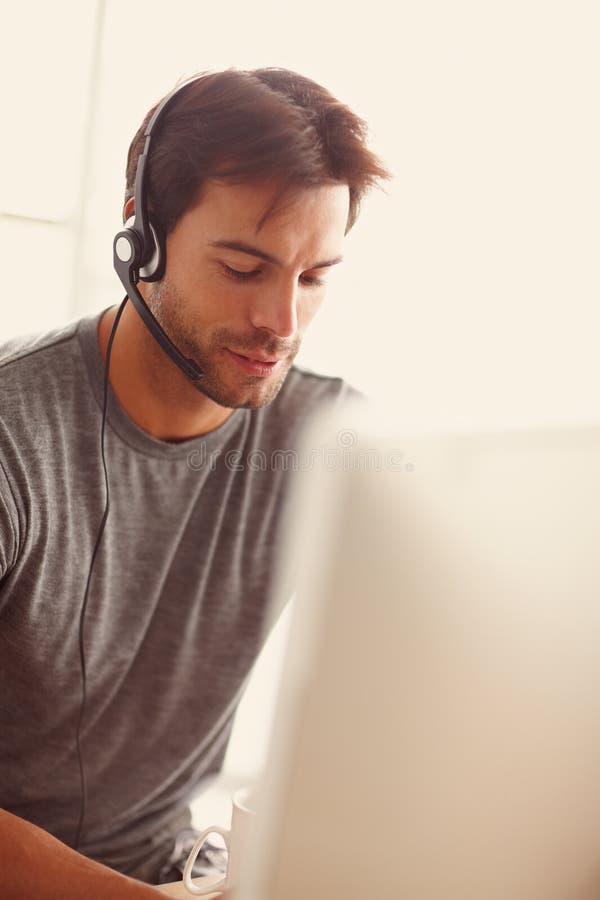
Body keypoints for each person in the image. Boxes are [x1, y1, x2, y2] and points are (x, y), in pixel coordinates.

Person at [0, 67, 389, 897]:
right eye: (244, 267)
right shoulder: (11, 437)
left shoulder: (329, 441)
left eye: (313, 277)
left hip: (175, 874)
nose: (282, 324)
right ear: (143, 234)